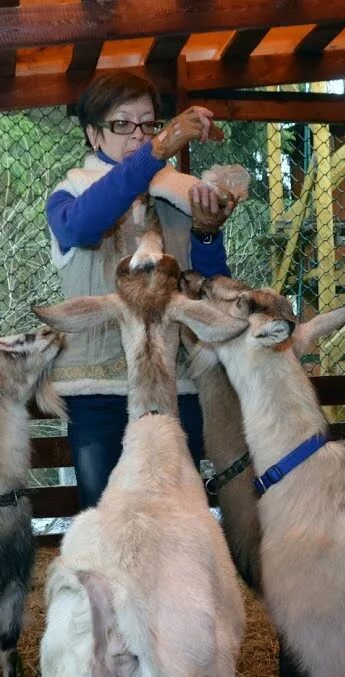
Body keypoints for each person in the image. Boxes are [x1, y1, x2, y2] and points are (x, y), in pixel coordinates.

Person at [44, 70, 237, 509]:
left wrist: (207, 233)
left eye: (149, 124)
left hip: (177, 385)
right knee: (107, 514)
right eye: (122, 124)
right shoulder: (70, 193)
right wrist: (156, 152)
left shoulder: (182, 193)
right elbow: (80, 228)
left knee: (179, 513)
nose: (138, 136)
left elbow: (207, 281)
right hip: (98, 390)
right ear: (94, 135)